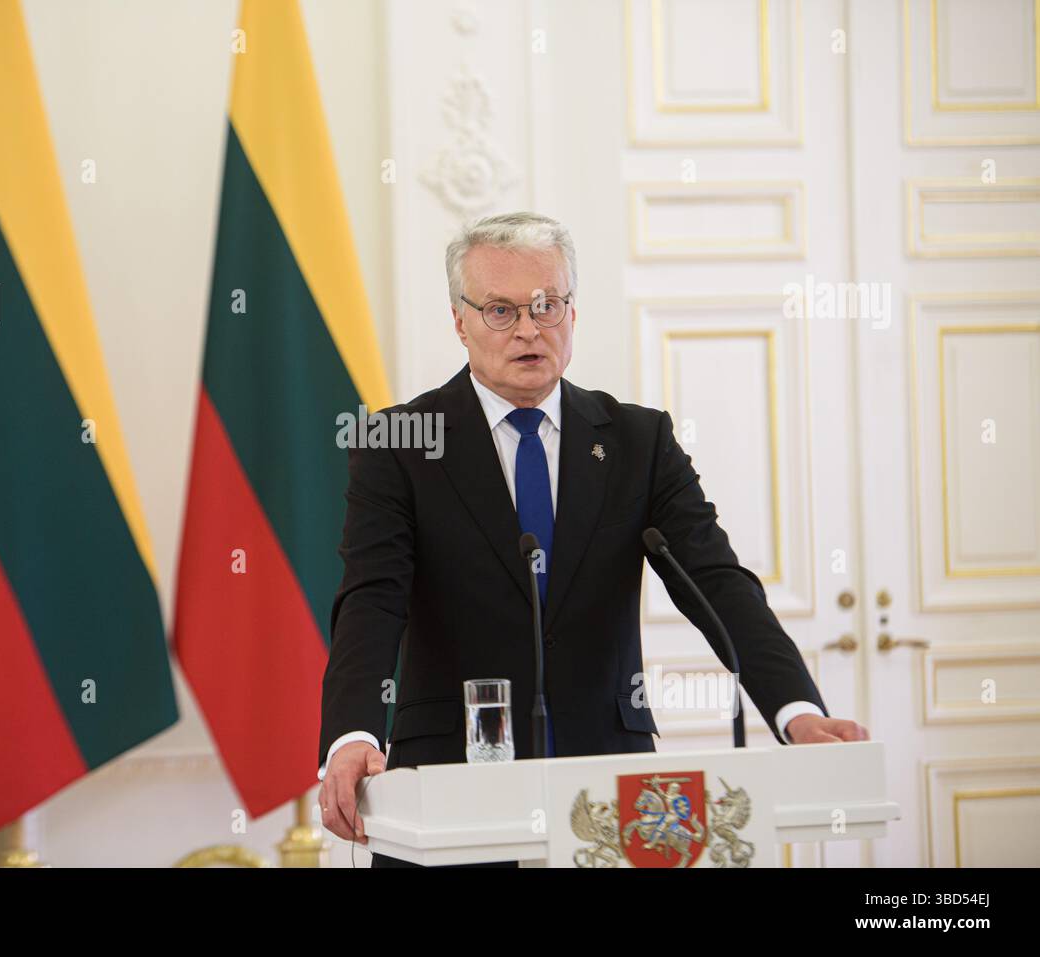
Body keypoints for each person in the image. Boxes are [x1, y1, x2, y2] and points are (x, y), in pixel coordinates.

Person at [317, 212, 868, 867]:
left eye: (547, 305)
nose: (528, 328)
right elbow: (372, 599)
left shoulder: (639, 440)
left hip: (611, 786)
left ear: (572, 314)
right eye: (500, 309)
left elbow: (716, 582)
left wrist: (795, 710)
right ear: (459, 321)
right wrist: (353, 730)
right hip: (452, 779)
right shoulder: (399, 444)